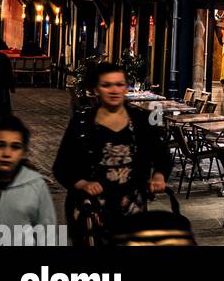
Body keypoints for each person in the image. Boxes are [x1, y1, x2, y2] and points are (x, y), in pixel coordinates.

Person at [53, 61, 172, 245]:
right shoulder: (82, 124)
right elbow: (61, 166)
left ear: (126, 88)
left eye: (119, 84)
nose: (114, 90)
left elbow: (162, 155)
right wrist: (82, 183)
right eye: (106, 85)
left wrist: (158, 175)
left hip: (132, 209)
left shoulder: (141, 121)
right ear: (95, 90)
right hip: (91, 212)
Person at [0, 116, 57, 240]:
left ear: (24, 153)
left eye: (15, 147)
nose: (7, 153)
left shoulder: (36, 185)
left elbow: (47, 235)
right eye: (0, 145)